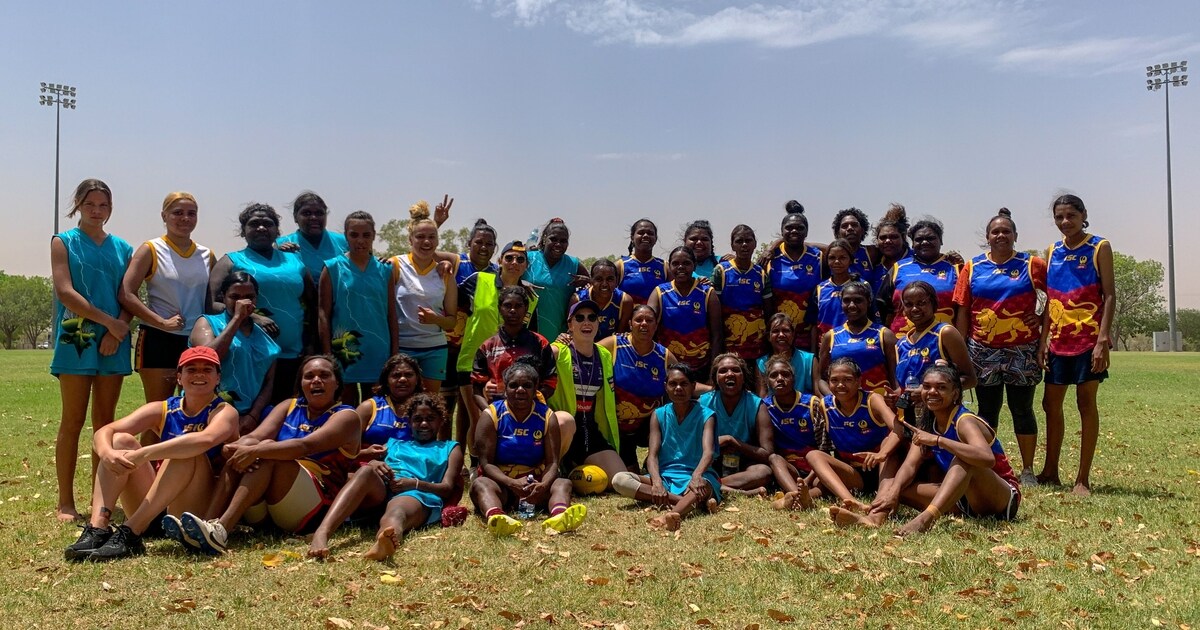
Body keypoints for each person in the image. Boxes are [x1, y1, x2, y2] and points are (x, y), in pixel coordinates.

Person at [64, 347, 238, 560]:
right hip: (155, 508)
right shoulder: (164, 408)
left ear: (218, 377)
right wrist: (107, 452)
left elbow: (205, 440)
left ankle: (130, 533)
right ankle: (98, 529)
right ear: (179, 378)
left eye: (207, 369)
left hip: (195, 513)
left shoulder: (224, 411)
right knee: (120, 441)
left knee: (187, 451)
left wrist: (144, 454)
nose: (199, 374)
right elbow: (105, 431)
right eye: (191, 369)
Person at [177, 355, 360, 554]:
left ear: (337, 383)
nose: (316, 380)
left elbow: (305, 446)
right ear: (301, 383)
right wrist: (233, 447)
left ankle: (221, 530)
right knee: (247, 451)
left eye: (324, 375)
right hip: (272, 506)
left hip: (314, 506)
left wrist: (255, 450)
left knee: (267, 451)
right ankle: (205, 524)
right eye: (309, 376)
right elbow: (255, 436)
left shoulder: (346, 416)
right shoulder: (289, 406)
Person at [835, 365, 1021, 535]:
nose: (932, 392)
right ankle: (874, 516)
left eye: (941, 387)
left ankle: (926, 519)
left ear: (955, 393)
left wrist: (940, 441)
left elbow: (986, 458)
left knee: (963, 459)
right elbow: (910, 466)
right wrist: (891, 493)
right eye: (927, 386)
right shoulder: (927, 423)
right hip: (964, 500)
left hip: (1000, 500)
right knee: (900, 487)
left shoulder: (964, 421)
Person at [50, 178, 134, 522]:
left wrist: (118, 328)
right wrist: (108, 322)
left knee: (105, 423)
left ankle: (100, 500)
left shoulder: (124, 248)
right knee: (73, 420)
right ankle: (65, 502)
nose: (96, 211)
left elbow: (129, 296)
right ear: (78, 206)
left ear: (110, 209)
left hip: (115, 340)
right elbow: (65, 292)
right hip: (76, 335)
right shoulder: (63, 242)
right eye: (90, 204)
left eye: (103, 205)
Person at [307, 393, 463, 559]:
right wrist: (373, 463)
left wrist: (414, 484)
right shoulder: (393, 443)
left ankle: (384, 542)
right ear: (409, 422)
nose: (424, 423)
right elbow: (350, 461)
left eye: (430, 418)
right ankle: (322, 532)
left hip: (415, 494)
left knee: (397, 512)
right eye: (417, 419)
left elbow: (447, 488)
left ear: (441, 420)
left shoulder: (450, 448)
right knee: (366, 471)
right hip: (383, 489)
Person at [953, 208, 1046, 486]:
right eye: (996, 231)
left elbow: (1052, 300)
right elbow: (963, 311)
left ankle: (1028, 469)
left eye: (1006, 231)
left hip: (1023, 348)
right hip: (982, 350)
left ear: (1015, 236)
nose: (1001, 235)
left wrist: (1039, 319)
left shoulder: (1033, 265)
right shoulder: (972, 268)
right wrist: (960, 351)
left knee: (1022, 409)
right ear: (987, 237)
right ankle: (991, 465)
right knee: (987, 411)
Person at [1038, 194, 1115, 496]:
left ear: (1083, 215)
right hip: (1057, 341)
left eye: (1071, 215)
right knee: (1050, 404)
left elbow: (1109, 295)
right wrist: (1044, 339)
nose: (1065, 222)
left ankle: (1082, 478)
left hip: (1088, 341)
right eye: (1059, 217)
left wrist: (1103, 340)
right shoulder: (1052, 250)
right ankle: (1050, 470)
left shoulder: (1099, 247)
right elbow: (1048, 300)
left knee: (1085, 404)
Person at [209, 203, 314, 404]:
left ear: (277, 230)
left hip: (292, 354)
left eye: (268, 224)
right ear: (243, 231)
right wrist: (253, 316)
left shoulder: (295, 262)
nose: (261, 228)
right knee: (249, 412)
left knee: (285, 413)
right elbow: (212, 303)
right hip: (248, 355)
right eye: (254, 224)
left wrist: (309, 343)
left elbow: (313, 304)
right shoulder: (231, 261)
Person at [471, 361, 588, 537]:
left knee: (563, 483)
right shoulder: (492, 415)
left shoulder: (547, 416)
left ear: (535, 390)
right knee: (480, 484)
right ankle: (497, 518)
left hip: (534, 485)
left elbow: (553, 462)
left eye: (527, 385)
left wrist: (542, 485)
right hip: (502, 486)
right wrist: (511, 483)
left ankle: (559, 517)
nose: (520, 390)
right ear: (505, 389)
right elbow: (486, 464)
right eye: (513, 385)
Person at [120, 191, 211, 403]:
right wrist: (161, 321)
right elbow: (126, 293)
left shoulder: (207, 254)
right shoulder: (151, 249)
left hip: (196, 341)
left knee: (194, 411)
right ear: (164, 216)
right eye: (177, 213)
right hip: (158, 339)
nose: (185, 218)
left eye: (191, 213)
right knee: (157, 413)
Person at [610, 364, 721, 531]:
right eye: (673, 384)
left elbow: (708, 452)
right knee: (620, 479)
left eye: (684, 384)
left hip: (697, 476)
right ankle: (693, 503)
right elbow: (652, 455)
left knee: (703, 486)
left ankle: (669, 515)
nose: (678, 388)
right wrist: (657, 482)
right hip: (666, 477)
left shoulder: (707, 415)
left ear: (693, 387)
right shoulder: (659, 414)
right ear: (665, 387)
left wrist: (697, 476)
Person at [457, 241, 539, 462]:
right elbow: (453, 304)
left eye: (520, 259)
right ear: (499, 260)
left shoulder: (530, 296)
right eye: (509, 257)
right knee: (479, 418)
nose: (514, 263)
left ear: (526, 265)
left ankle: (501, 462)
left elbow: (531, 336)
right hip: (473, 363)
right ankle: (476, 465)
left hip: (511, 371)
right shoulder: (479, 280)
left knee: (504, 420)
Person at [319, 211, 397, 405]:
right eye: (354, 235)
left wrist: (394, 354)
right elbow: (323, 314)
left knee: (376, 409)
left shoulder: (385, 269)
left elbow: (391, 314)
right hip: (345, 353)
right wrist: (329, 355)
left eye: (366, 235)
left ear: (374, 236)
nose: (360, 240)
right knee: (347, 409)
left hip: (378, 351)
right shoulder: (332, 268)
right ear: (346, 235)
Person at [547, 300, 627, 485]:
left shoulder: (604, 354)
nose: (586, 322)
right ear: (570, 324)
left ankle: (572, 468)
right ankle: (551, 470)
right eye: (579, 318)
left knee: (620, 480)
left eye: (592, 318)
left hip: (589, 431)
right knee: (564, 420)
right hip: (561, 430)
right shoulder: (557, 351)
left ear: (598, 323)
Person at [191, 271, 279, 434]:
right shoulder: (207, 323)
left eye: (249, 296)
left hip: (251, 415)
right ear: (223, 297)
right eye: (235, 297)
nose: (243, 302)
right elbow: (207, 360)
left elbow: (269, 382)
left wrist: (253, 416)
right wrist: (237, 319)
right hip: (209, 411)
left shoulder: (264, 333)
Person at [806, 358, 900, 507]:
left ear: (858, 381)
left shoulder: (872, 400)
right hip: (853, 474)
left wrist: (882, 454)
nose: (840, 385)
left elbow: (898, 428)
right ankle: (850, 501)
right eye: (834, 380)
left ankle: (882, 498)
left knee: (887, 442)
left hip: (881, 469)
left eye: (847, 380)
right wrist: (809, 479)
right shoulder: (825, 406)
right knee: (813, 456)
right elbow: (825, 448)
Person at [598, 304, 678, 470]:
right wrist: (567, 339)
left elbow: (685, 383)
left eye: (649, 320)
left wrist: (712, 389)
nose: (644, 324)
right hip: (616, 429)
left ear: (656, 326)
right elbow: (583, 353)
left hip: (647, 428)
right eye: (638, 320)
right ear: (630, 324)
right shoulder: (612, 345)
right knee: (628, 473)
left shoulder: (665, 356)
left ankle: (655, 458)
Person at [392, 201, 458, 398]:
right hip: (403, 347)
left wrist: (435, 319)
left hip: (435, 349)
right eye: (420, 237)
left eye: (431, 237)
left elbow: (452, 322)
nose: (426, 242)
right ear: (410, 239)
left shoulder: (445, 273)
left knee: (428, 407)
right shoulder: (395, 265)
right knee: (402, 404)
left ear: (438, 241)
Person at [892, 281, 976, 424]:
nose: (915, 309)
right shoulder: (901, 345)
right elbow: (904, 388)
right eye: (909, 304)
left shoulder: (945, 333)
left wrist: (929, 390)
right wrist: (895, 396)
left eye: (921, 303)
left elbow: (970, 379)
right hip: (910, 419)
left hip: (942, 418)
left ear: (934, 304)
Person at [446, 219, 499, 445]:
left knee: (469, 409)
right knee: (446, 408)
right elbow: (423, 253)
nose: (484, 247)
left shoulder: (496, 273)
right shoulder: (458, 263)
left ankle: (463, 460)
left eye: (489, 243)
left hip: (477, 349)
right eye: (479, 242)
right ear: (469, 243)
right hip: (449, 344)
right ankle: (444, 458)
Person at [761, 357, 831, 511]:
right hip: (788, 470)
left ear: (794, 378)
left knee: (825, 483)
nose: (780, 379)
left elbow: (824, 448)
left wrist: (809, 478)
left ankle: (798, 498)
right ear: (767, 380)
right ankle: (797, 495)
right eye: (774, 375)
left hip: (813, 467)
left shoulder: (812, 404)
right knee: (774, 458)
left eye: (785, 374)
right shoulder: (765, 407)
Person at [698, 354, 772, 495]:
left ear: (743, 377)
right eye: (723, 371)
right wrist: (721, 442)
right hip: (711, 462)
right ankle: (724, 486)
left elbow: (767, 453)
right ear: (716, 378)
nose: (730, 374)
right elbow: (692, 445)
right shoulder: (704, 403)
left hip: (744, 463)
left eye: (735, 370)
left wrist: (734, 442)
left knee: (764, 472)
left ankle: (712, 485)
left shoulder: (756, 404)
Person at [648, 246, 722, 379]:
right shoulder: (660, 292)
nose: (681, 267)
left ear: (694, 266)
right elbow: (648, 326)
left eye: (686, 263)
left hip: (701, 367)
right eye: (675, 263)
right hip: (669, 367)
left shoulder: (707, 293)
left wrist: (713, 372)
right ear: (669, 266)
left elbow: (717, 335)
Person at [876, 218, 959, 336]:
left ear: (941, 241)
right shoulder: (898, 268)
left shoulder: (955, 269)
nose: (925, 242)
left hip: (942, 341)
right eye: (919, 239)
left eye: (930, 238)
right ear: (913, 244)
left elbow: (964, 310)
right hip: (902, 341)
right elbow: (882, 305)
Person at [817, 278, 897, 396]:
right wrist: (832, 399)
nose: (852, 305)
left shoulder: (884, 335)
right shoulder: (831, 336)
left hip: (877, 405)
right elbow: (822, 378)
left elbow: (895, 376)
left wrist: (894, 396)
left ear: (869, 302)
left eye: (858, 300)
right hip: (843, 407)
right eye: (846, 301)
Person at [766, 203, 824, 351]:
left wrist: (775, 243)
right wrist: (773, 247)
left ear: (807, 232)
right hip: (779, 337)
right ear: (782, 231)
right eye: (789, 228)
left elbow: (839, 247)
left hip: (809, 337)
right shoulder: (770, 259)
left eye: (800, 228)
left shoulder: (818, 257)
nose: (794, 231)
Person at [712, 225, 772, 364]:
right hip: (729, 344)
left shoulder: (761, 274)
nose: (744, 245)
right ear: (733, 245)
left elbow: (768, 311)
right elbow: (715, 311)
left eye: (748, 240)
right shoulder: (721, 271)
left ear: (755, 244)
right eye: (739, 241)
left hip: (757, 346)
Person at [524, 218, 588, 341]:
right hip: (527, 330)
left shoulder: (573, 264)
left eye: (563, 241)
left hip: (560, 334)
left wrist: (587, 283)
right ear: (544, 239)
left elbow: (592, 285)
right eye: (553, 239)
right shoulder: (528, 259)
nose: (558, 244)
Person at [355, 354, 425, 463]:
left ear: (417, 380)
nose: (402, 379)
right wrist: (366, 454)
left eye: (408, 375)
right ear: (386, 381)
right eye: (396, 375)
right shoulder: (369, 407)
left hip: (410, 471)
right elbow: (342, 451)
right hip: (369, 468)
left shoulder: (426, 410)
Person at [276, 191, 348, 283]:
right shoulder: (280, 245)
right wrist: (281, 256)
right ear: (295, 217)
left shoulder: (344, 243)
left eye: (319, 213)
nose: (314, 217)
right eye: (307, 213)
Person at [808, 239, 856, 346]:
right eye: (832, 258)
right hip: (825, 348)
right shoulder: (820, 289)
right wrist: (814, 354)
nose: (837, 262)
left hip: (853, 345)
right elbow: (813, 325)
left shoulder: (862, 287)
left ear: (851, 260)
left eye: (842, 257)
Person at [756, 313, 818, 396]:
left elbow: (818, 393)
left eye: (786, 331)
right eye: (775, 331)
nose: (781, 335)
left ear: (793, 335)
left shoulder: (809, 360)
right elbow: (763, 396)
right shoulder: (761, 363)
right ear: (768, 337)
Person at [570, 259, 632, 341]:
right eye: (599, 279)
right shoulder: (578, 299)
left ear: (616, 281)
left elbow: (620, 336)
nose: (604, 284)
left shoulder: (624, 301)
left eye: (610, 279)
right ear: (591, 280)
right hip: (583, 346)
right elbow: (572, 331)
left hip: (611, 348)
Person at [831, 207, 883, 291]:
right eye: (844, 226)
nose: (850, 228)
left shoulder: (871, 252)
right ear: (838, 232)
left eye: (854, 225)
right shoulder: (830, 254)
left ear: (862, 230)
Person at [617, 219, 666, 305]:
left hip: (655, 317)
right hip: (629, 317)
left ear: (655, 239)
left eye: (650, 233)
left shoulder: (665, 267)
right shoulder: (620, 265)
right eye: (641, 232)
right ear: (632, 237)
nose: (646, 236)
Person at [873, 203, 912, 272]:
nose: (887, 241)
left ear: (903, 237)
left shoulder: (917, 259)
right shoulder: (873, 264)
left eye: (893, 237)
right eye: (883, 237)